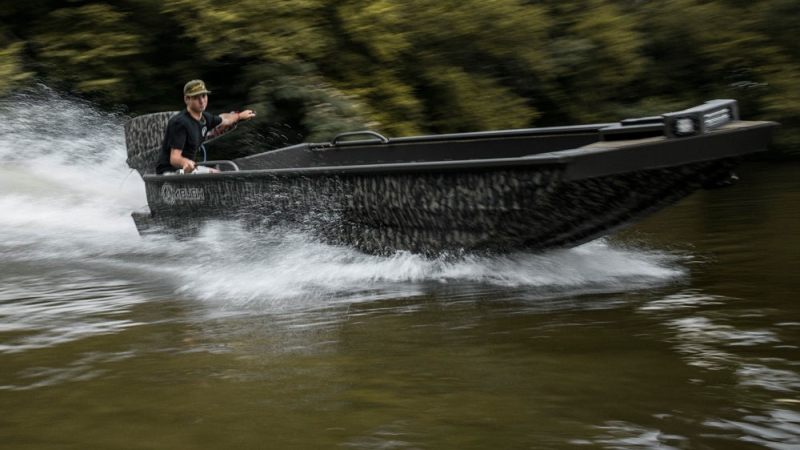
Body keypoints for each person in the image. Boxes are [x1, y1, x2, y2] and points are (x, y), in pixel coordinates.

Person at [156, 79, 256, 174]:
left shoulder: (205, 118)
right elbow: (174, 159)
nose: (202, 101)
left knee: (218, 174)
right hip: (170, 172)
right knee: (211, 176)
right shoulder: (180, 123)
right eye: (196, 97)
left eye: (204, 96)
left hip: (189, 169)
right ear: (187, 99)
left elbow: (224, 119)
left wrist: (239, 116)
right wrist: (185, 163)